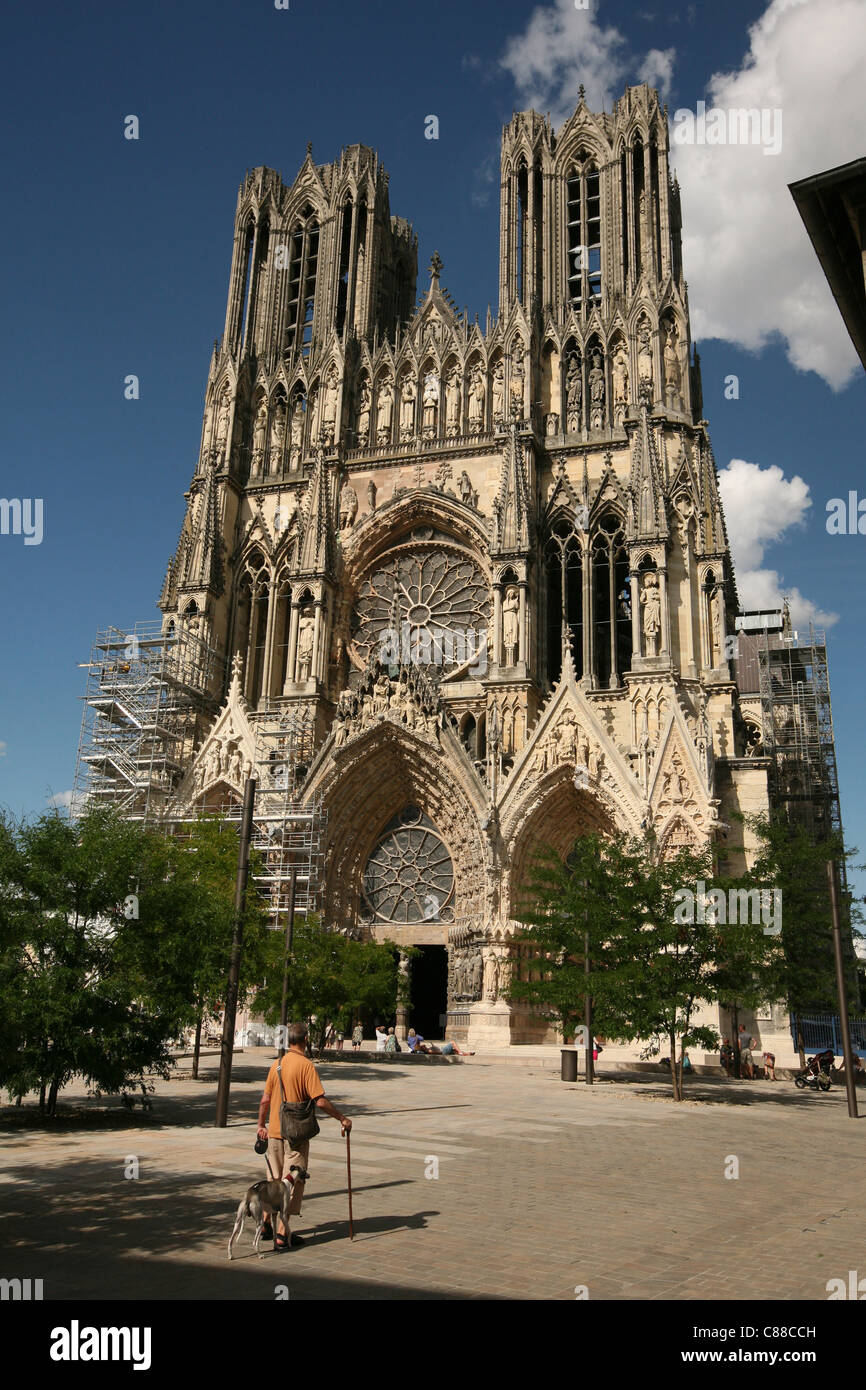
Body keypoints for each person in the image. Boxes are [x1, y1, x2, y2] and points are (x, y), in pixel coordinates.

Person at [256, 1021, 351, 1249]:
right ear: (306, 1040)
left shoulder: (276, 1065)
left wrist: (261, 1125)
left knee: (274, 1182)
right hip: (296, 1135)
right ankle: (282, 1235)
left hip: (275, 1133)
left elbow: (265, 1100)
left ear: (288, 1040)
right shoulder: (306, 1066)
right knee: (292, 1182)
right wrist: (342, 1118)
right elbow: (319, 1101)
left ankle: (266, 1223)